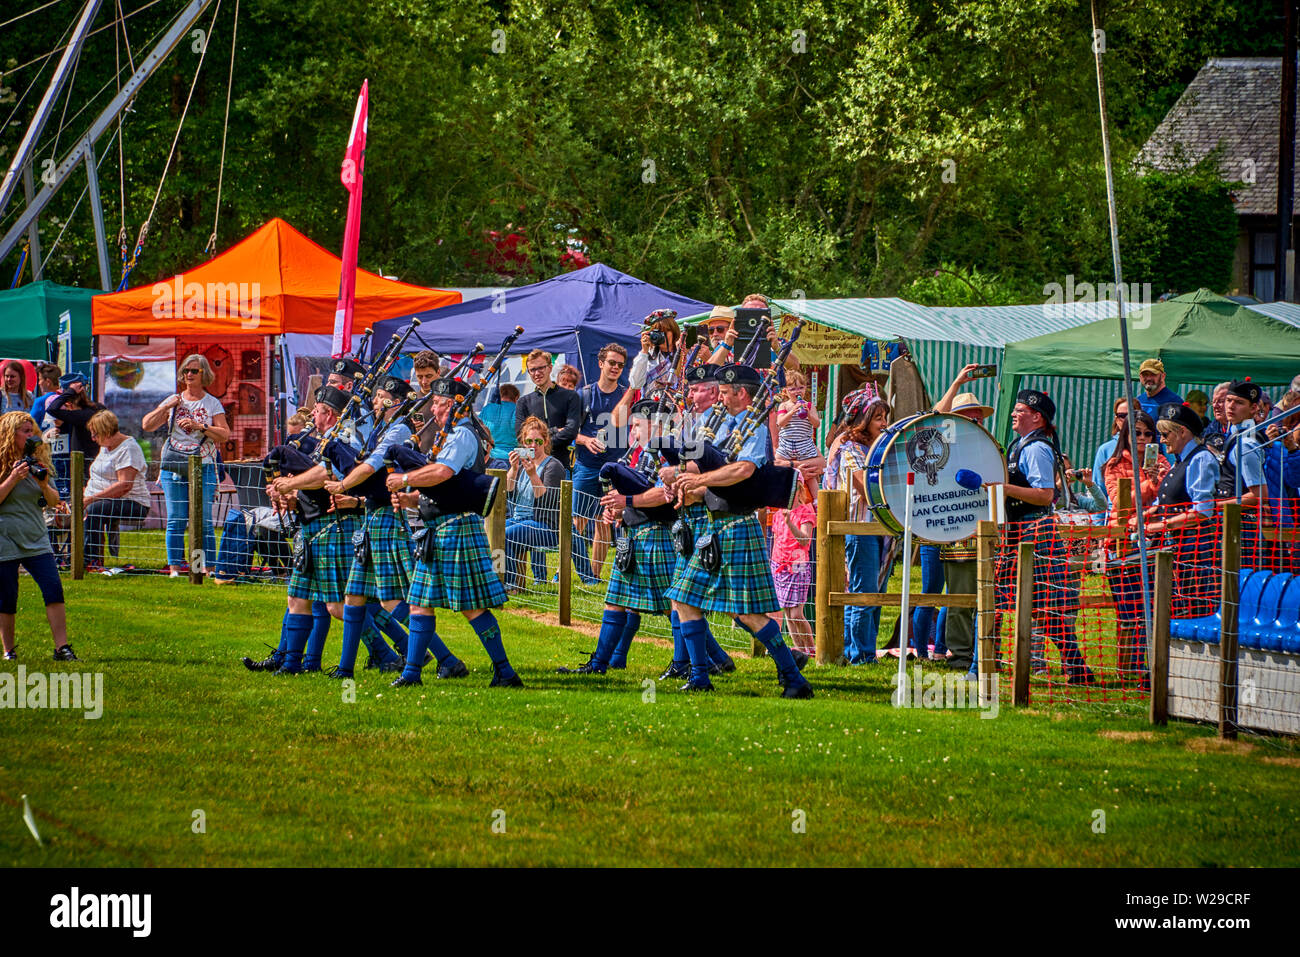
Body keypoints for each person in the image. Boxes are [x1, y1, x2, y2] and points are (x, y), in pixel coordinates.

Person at [665, 363, 813, 697]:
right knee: (683, 598)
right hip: (711, 524)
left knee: (745, 612)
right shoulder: (714, 425)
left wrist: (699, 479)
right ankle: (701, 677)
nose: (720, 396)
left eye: (726, 391)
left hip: (737, 525)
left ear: (741, 393)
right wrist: (677, 474)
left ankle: (794, 678)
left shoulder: (755, 427)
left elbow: (744, 470)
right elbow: (700, 462)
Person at [387, 376, 522, 688]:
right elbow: (446, 488)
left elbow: (443, 473)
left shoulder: (461, 435)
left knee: (471, 606)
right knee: (420, 602)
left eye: (441, 404)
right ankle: (411, 675)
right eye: (434, 403)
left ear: (458, 407)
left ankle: (505, 672)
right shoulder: (447, 437)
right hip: (439, 528)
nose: (434, 410)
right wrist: (413, 499)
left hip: (457, 529)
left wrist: (405, 479)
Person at [557, 399, 678, 674]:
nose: (632, 432)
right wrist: (614, 509)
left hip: (658, 533)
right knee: (619, 599)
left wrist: (627, 501)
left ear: (655, 425)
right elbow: (621, 484)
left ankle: (705, 660)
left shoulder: (665, 451)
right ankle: (601, 663)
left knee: (677, 605)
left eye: (637, 425)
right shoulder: (635, 450)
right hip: (634, 532)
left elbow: (663, 494)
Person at [319, 375, 427, 679]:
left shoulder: (399, 430)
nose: (375, 401)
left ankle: (444, 658)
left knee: (393, 599)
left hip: (387, 519)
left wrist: (341, 484)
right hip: (372, 517)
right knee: (352, 598)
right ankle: (345, 669)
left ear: (395, 400)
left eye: (380, 396)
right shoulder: (378, 428)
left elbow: (369, 468)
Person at [993, 389, 1093, 684]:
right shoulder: (1019, 444)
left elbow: (1045, 495)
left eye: (1020, 410)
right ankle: (1077, 669)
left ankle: (984, 663)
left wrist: (1004, 488)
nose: (1013, 413)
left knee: (1026, 603)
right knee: (1030, 604)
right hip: (1021, 532)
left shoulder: (1036, 449)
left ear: (1037, 417)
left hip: (1035, 531)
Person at [265, 386, 366, 675]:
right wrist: (284, 488)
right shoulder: (321, 440)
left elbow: (325, 475)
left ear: (330, 414)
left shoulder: (344, 439)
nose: (313, 415)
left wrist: (290, 485)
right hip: (312, 524)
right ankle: (293, 663)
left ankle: (402, 650)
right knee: (297, 597)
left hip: (334, 524)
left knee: (338, 605)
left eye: (318, 410)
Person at [655, 363, 735, 679]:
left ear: (714, 392)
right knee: (681, 594)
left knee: (733, 600)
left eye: (697, 389)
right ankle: (690, 662)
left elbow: (718, 468)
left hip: (715, 514)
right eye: (689, 388)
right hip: (691, 515)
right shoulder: (693, 424)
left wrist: (678, 475)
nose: (690, 393)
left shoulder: (724, 424)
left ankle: (785, 656)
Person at [930, 364, 996, 670]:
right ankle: (960, 655)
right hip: (956, 531)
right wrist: (956, 383)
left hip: (989, 529)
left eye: (979, 416)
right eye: (970, 416)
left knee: (989, 597)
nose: (977, 421)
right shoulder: (944, 449)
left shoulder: (992, 447)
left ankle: (984, 653)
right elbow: (931, 421)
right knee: (959, 598)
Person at [141, 355, 230, 577]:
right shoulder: (174, 400)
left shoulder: (212, 403)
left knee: (202, 521)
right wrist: (167, 407)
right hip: (173, 466)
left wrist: (200, 426)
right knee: (176, 518)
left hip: (204, 465)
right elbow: (147, 425)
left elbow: (225, 434)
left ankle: (203, 568)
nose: (189, 375)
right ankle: (175, 569)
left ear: (204, 375)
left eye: (194, 371)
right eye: (186, 371)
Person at [1098, 410, 1168, 684]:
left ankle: (1148, 668)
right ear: (1125, 434)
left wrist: (1157, 478)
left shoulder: (1162, 460)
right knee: (1128, 610)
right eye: (1136, 432)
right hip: (1121, 542)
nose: (1142, 437)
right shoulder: (1113, 464)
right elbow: (1119, 501)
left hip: (1155, 539)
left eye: (1148, 433)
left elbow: (1168, 495)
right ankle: (1128, 668)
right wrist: (1149, 483)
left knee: (1151, 607)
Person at [0, 411, 76, 661]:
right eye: (25, 431)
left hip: (36, 536)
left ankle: (62, 648)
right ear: (10, 435)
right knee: (7, 597)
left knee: (53, 588)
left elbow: (55, 502)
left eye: (31, 430)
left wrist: (43, 484)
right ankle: (9, 651)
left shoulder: (37, 462)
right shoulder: (4, 465)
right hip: (5, 538)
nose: (31, 436)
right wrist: (13, 478)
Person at [1136, 403, 1219, 617]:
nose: (1161, 440)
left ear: (1182, 432)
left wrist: (1160, 524)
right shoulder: (1179, 462)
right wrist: (1144, 515)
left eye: (1165, 434)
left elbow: (1203, 511)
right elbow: (1168, 501)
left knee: (1193, 610)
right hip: (1177, 548)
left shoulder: (1200, 459)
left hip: (1195, 552)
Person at [827, 388, 892, 664]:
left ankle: (862, 648)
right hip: (860, 528)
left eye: (885, 417)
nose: (884, 423)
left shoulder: (879, 449)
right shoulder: (852, 448)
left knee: (875, 592)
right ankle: (860, 654)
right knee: (863, 592)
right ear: (863, 420)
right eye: (878, 417)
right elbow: (865, 487)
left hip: (881, 529)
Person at [570, 343, 629, 585]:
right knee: (576, 520)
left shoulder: (627, 396)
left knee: (604, 522)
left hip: (615, 467)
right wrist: (586, 440)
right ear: (601, 363)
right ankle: (567, 570)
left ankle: (593, 576)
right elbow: (568, 431)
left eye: (620, 365)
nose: (615, 368)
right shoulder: (583, 394)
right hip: (586, 464)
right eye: (611, 363)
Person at [81, 411, 150, 570]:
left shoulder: (128, 448)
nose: (93, 439)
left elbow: (124, 485)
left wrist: (90, 499)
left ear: (106, 431)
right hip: (101, 498)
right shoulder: (106, 446)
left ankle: (90, 561)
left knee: (94, 510)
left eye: (95, 434)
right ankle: (67, 557)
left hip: (133, 502)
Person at [503, 416, 565, 592]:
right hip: (519, 520)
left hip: (545, 527)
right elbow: (507, 493)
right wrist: (513, 469)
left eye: (538, 441)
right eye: (528, 441)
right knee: (492, 530)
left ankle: (510, 584)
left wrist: (533, 475)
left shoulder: (553, 466)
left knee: (506, 535)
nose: (533, 445)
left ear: (545, 442)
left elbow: (547, 502)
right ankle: (497, 581)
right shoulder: (522, 465)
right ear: (523, 443)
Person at [770, 474, 817, 650]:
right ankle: (799, 651)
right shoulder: (777, 515)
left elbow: (805, 540)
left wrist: (790, 523)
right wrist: (773, 564)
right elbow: (777, 540)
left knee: (797, 613)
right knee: (788, 614)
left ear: (798, 489)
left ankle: (811, 649)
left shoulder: (806, 511)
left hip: (798, 565)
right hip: (779, 566)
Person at [515, 349, 582, 468]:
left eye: (541, 368)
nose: (537, 373)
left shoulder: (570, 396)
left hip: (561, 466)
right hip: (532, 467)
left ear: (550, 368)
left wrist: (538, 442)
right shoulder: (523, 402)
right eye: (532, 370)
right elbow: (521, 435)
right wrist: (555, 431)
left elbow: (571, 432)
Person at [44, 372, 105, 480]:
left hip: (84, 466)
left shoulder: (81, 415)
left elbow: (52, 409)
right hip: (95, 463)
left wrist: (70, 391)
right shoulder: (97, 408)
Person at [775, 370, 824, 479]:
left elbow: (816, 424)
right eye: (792, 389)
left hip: (804, 445)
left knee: (810, 476)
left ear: (805, 388)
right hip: (786, 445)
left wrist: (809, 415)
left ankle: (815, 496)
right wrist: (792, 412)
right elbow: (780, 423)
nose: (797, 391)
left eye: (801, 388)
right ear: (785, 391)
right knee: (775, 464)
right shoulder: (784, 406)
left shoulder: (809, 406)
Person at [629, 309, 681, 396]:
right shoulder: (647, 356)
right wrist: (644, 351)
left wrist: (682, 353)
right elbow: (635, 384)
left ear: (674, 331)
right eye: (658, 332)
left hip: (677, 405)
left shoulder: (685, 351)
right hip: (650, 406)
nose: (662, 335)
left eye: (665, 331)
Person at [481, 383, 520, 471]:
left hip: (489, 457)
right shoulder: (517, 410)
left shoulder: (487, 408)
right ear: (516, 397)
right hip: (512, 457)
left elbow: (479, 430)